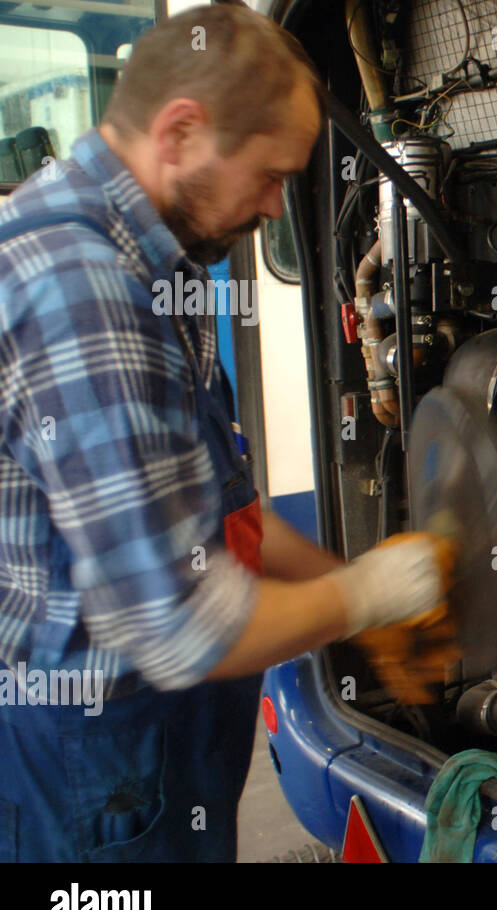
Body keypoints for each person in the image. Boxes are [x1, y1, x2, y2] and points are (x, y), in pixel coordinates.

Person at [0, 5, 440, 861]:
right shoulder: (84, 293)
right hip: (94, 773)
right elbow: (180, 627)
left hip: (147, 752)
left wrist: (354, 597)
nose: (278, 205)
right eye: (271, 175)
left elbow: (223, 514)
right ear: (181, 130)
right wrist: (368, 596)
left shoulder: (152, 255)